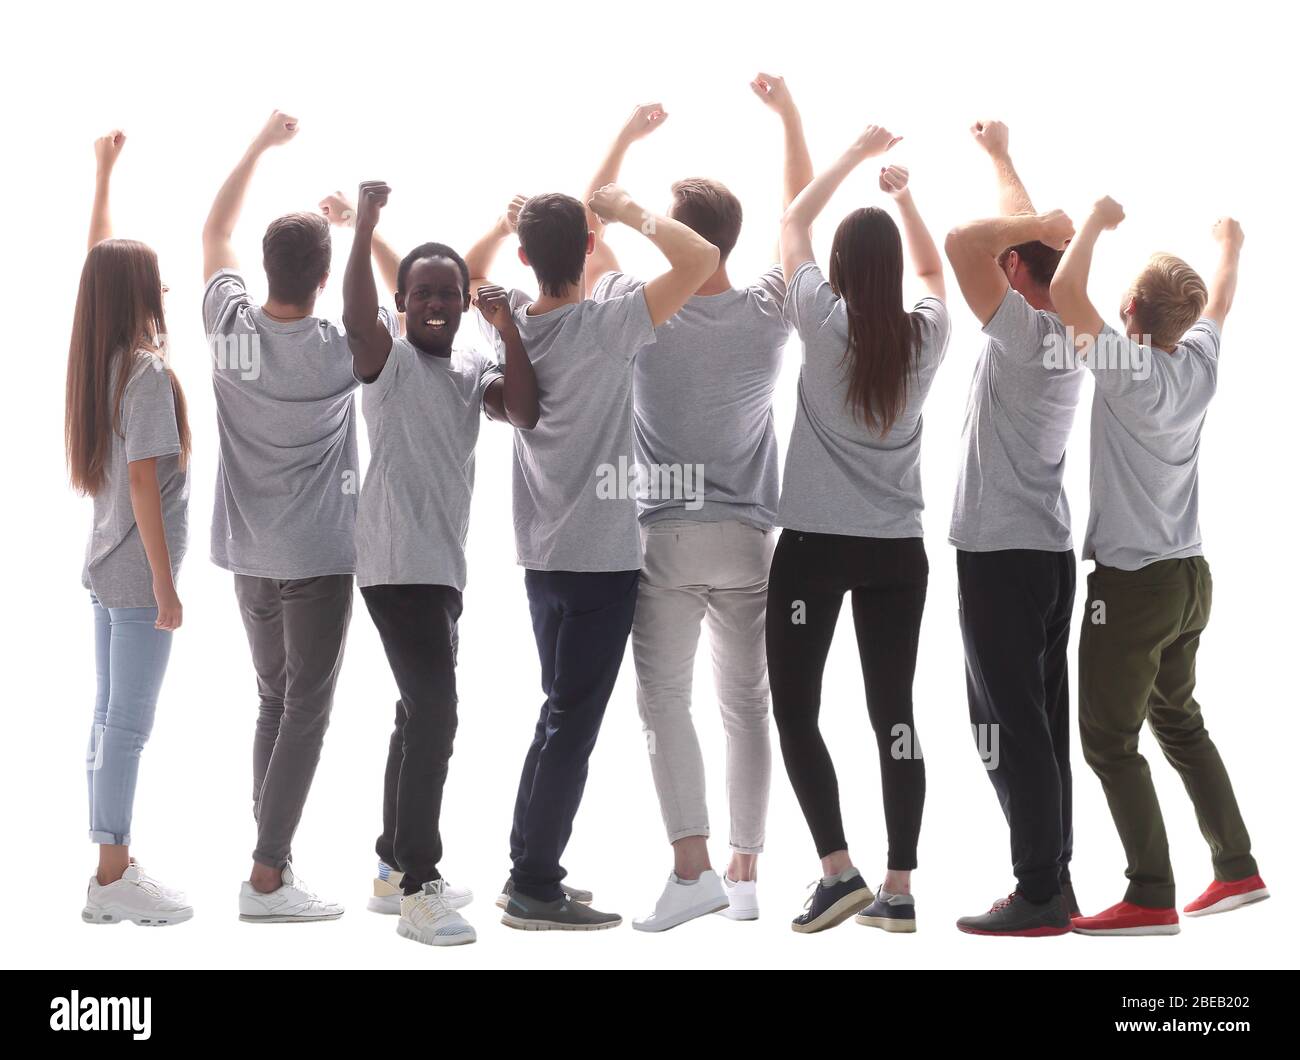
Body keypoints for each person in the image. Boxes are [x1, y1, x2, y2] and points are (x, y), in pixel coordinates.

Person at [582, 74, 812, 931]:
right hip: (751, 540)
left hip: (668, 542)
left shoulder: (638, 311)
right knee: (746, 705)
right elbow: (799, 215)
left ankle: (693, 869)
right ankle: (744, 871)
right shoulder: (768, 310)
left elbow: (585, 230)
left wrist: (621, 143)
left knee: (662, 706)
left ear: (677, 237)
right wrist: (789, 115)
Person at [465, 182, 718, 930]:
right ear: (586, 249)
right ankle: (535, 882)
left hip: (542, 558)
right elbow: (700, 257)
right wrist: (631, 212)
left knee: (558, 716)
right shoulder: (609, 324)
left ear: (522, 253)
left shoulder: (504, 321)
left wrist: (501, 223)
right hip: (603, 560)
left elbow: (469, 265)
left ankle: (528, 873)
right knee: (570, 723)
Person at [201, 111, 400, 922]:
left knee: (273, 703)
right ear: (322, 281)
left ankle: (269, 863)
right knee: (302, 711)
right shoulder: (338, 350)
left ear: (262, 270)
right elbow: (389, 306)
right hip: (318, 557)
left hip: (249, 554)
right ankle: (267, 875)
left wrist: (258, 143)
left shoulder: (229, 329)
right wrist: (358, 229)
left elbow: (214, 226)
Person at [1051, 198, 1268, 936]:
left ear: (1132, 309)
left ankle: (1150, 893)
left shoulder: (1127, 371)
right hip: (1189, 582)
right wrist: (1230, 242)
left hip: (1133, 589)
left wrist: (1097, 224)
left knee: (1109, 739)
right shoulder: (1199, 364)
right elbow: (1224, 297)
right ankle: (1237, 868)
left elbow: (1062, 296)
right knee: (1178, 718)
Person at [343, 181, 539, 946]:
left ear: (463, 302)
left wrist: (508, 327)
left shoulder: (466, 367)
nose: (434, 302)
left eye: (447, 293)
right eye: (421, 291)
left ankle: (393, 867)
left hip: (442, 571)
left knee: (414, 712)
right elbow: (359, 311)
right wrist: (362, 229)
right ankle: (421, 887)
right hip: (394, 567)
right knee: (437, 715)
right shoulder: (384, 359)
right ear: (402, 301)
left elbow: (522, 410)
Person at [768, 123, 949, 934]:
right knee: (897, 716)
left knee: (797, 710)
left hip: (812, 550)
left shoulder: (822, 319)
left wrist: (846, 159)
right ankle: (899, 887)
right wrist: (906, 200)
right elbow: (936, 271)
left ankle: (837, 872)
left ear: (840, 271)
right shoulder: (925, 336)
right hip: (896, 556)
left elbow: (789, 224)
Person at [943, 120, 1082, 936]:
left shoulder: (1027, 335)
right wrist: (1000, 158)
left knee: (1006, 728)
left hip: (1002, 556)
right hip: (1044, 554)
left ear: (1017, 270)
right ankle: (1053, 881)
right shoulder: (1062, 322)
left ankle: (1036, 892)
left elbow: (966, 243)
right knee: (1038, 726)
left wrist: (1034, 224)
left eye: (1010, 259)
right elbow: (1013, 246)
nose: (995, 268)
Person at [71, 130, 193, 926]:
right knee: (126, 727)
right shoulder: (144, 373)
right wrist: (165, 584)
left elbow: (97, 268)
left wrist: (104, 173)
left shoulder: (100, 356)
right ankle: (112, 878)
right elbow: (147, 480)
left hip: (103, 571)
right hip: (133, 578)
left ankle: (110, 864)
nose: (167, 289)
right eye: (156, 281)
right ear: (137, 294)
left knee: (108, 720)